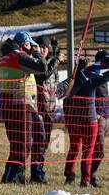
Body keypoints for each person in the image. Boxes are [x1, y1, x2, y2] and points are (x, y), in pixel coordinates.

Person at [0, 31, 45, 184]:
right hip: (20, 103)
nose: (32, 47)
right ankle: (12, 178)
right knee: (23, 144)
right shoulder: (18, 56)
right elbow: (42, 67)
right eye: (30, 44)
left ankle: (11, 176)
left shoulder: (7, 55)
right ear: (24, 44)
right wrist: (38, 53)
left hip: (10, 103)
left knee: (17, 144)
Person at [64, 50, 109, 187]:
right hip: (90, 121)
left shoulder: (70, 85)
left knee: (74, 150)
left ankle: (69, 176)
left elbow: (65, 102)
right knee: (88, 152)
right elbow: (106, 76)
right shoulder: (90, 82)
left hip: (74, 122)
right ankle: (85, 180)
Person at [30, 36, 60, 184]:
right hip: (38, 109)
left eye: (44, 47)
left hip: (50, 109)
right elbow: (43, 75)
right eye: (39, 46)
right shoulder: (37, 63)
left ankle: (40, 169)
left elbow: (56, 86)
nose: (42, 49)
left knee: (45, 142)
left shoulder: (53, 66)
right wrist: (56, 60)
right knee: (38, 141)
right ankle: (36, 174)